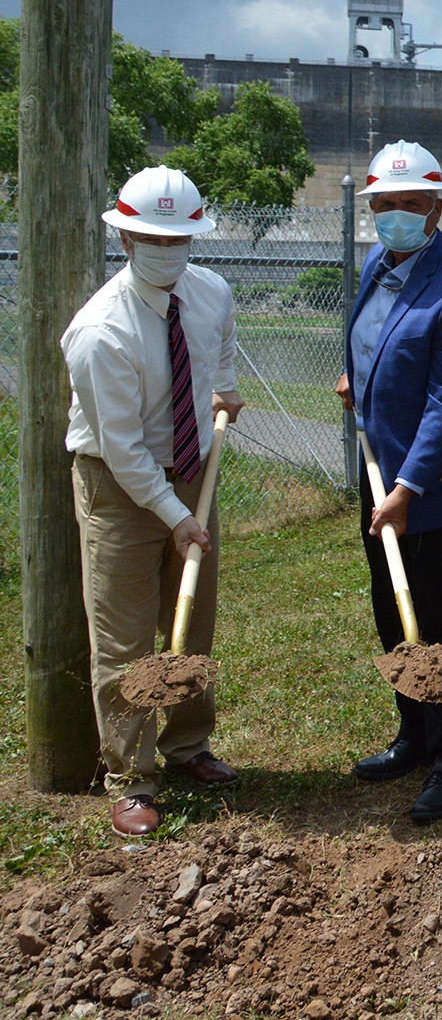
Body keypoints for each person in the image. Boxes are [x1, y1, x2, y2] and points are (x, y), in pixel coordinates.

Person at [63, 166, 245, 836]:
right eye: (151, 237)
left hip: (195, 468)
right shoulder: (99, 332)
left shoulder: (212, 293)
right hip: (118, 485)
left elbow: (219, 364)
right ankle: (132, 777)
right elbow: (123, 451)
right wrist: (173, 518)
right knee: (125, 633)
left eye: (179, 238)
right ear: (125, 237)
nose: (166, 250)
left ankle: (189, 744)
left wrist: (224, 394)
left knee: (191, 619)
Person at [335, 141, 442, 825]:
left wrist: (408, 490)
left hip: (435, 493)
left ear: (437, 208)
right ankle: (413, 733)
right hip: (381, 478)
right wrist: (359, 377)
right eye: (386, 204)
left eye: (412, 204)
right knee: (392, 612)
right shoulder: (379, 266)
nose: (397, 215)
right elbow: (375, 342)